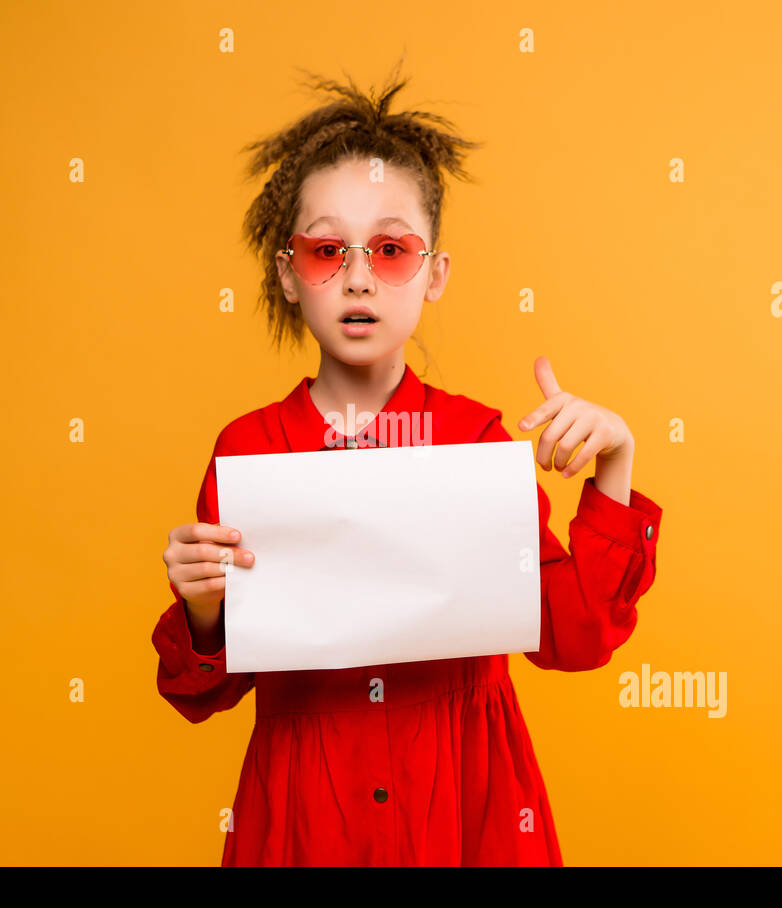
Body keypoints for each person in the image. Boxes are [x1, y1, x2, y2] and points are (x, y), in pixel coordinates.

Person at [151, 59, 663, 865]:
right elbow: (202, 690)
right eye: (327, 250)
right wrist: (203, 607)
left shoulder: (477, 440)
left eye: (391, 250)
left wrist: (615, 462)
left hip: (466, 806)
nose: (358, 278)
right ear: (289, 274)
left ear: (435, 274)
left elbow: (574, 637)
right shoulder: (249, 451)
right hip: (309, 814)